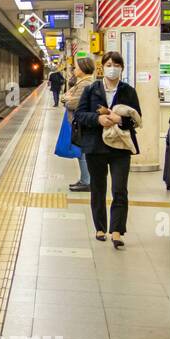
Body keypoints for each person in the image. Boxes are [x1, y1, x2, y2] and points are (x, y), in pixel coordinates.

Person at [73, 50, 141, 249]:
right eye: (109, 64)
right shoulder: (92, 89)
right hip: (95, 146)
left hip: (120, 147)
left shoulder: (128, 91)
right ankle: (100, 227)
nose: (113, 68)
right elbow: (79, 114)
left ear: (121, 67)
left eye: (116, 64)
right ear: (103, 66)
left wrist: (121, 119)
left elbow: (136, 119)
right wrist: (98, 119)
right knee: (98, 188)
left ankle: (118, 230)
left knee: (119, 189)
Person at [63, 56, 96, 192]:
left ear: (83, 69)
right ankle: (84, 179)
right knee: (81, 152)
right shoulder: (81, 82)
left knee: (82, 152)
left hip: (81, 123)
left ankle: (86, 181)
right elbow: (65, 96)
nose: (75, 70)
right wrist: (66, 98)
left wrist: (66, 100)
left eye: (76, 67)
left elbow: (73, 102)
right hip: (79, 122)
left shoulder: (84, 84)